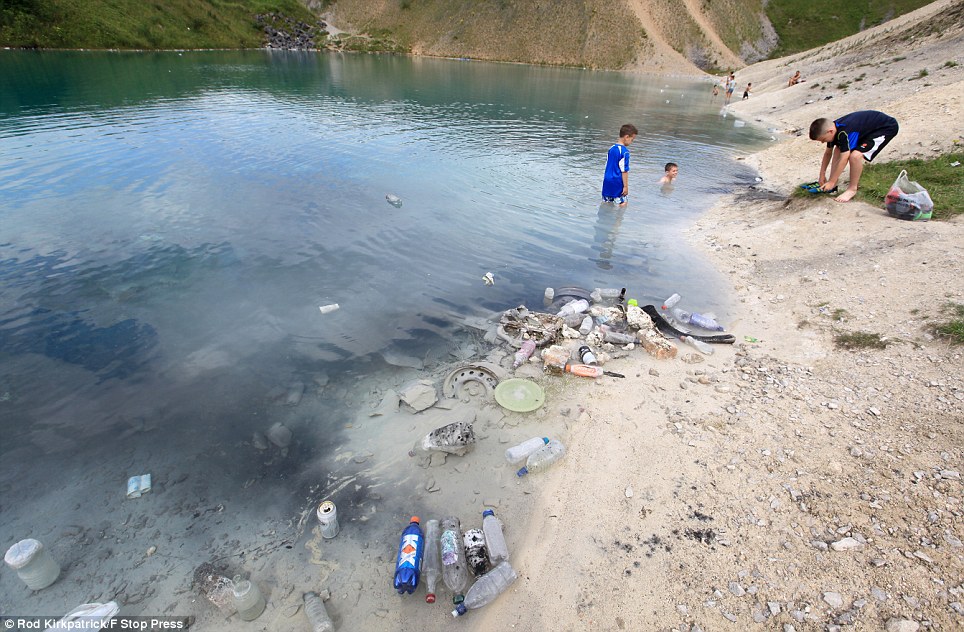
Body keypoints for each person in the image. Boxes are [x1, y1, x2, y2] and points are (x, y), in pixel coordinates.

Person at [808, 110, 899, 203]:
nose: (823, 142)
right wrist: (822, 175)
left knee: (855, 156)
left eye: (823, 139)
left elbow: (844, 158)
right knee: (838, 149)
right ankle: (832, 185)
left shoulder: (844, 133)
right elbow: (828, 153)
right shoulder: (833, 129)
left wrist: (831, 181)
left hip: (885, 128)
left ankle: (852, 189)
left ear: (830, 132)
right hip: (867, 129)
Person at [601, 124, 638, 207]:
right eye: (632, 140)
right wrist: (625, 186)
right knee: (623, 202)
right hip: (617, 181)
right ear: (627, 137)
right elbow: (624, 170)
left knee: (607, 203)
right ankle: (618, 219)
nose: (632, 142)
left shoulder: (611, 148)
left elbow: (607, 164)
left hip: (607, 180)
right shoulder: (625, 152)